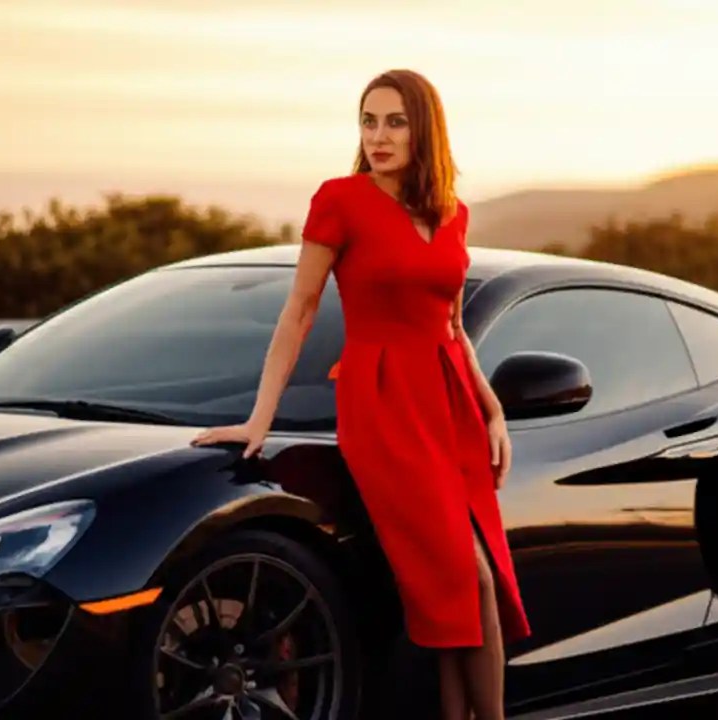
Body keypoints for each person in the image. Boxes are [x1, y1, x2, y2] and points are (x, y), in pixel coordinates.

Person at [191, 68, 531, 719]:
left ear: (424, 130)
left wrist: (493, 411)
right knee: (471, 579)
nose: (378, 136)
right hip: (383, 404)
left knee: (459, 594)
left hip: (450, 404)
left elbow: (454, 328)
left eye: (395, 122)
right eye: (368, 122)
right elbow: (299, 311)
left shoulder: (452, 213)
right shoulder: (340, 201)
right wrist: (259, 418)